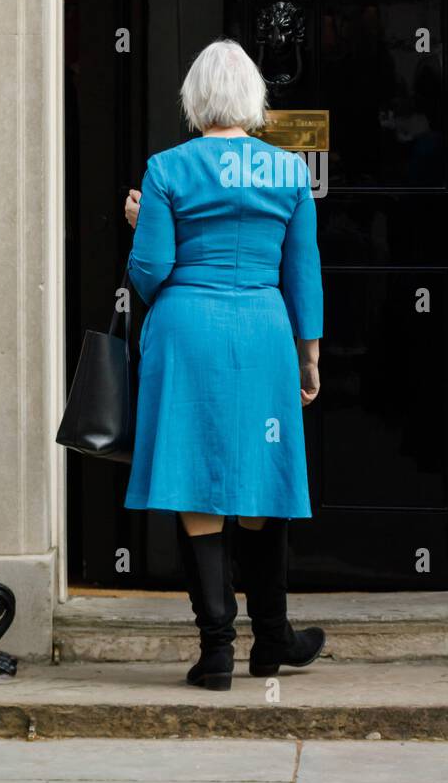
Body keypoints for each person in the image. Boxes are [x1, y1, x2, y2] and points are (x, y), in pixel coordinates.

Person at [123, 39, 324, 690]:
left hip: (188, 329)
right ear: (254, 100)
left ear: (195, 100)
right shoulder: (289, 172)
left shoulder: (166, 169)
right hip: (264, 331)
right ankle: (273, 639)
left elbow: (150, 270)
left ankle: (216, 652)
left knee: (193, 478)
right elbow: (303, 274)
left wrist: (139, 223)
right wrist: (310, 354)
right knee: (262, 479)